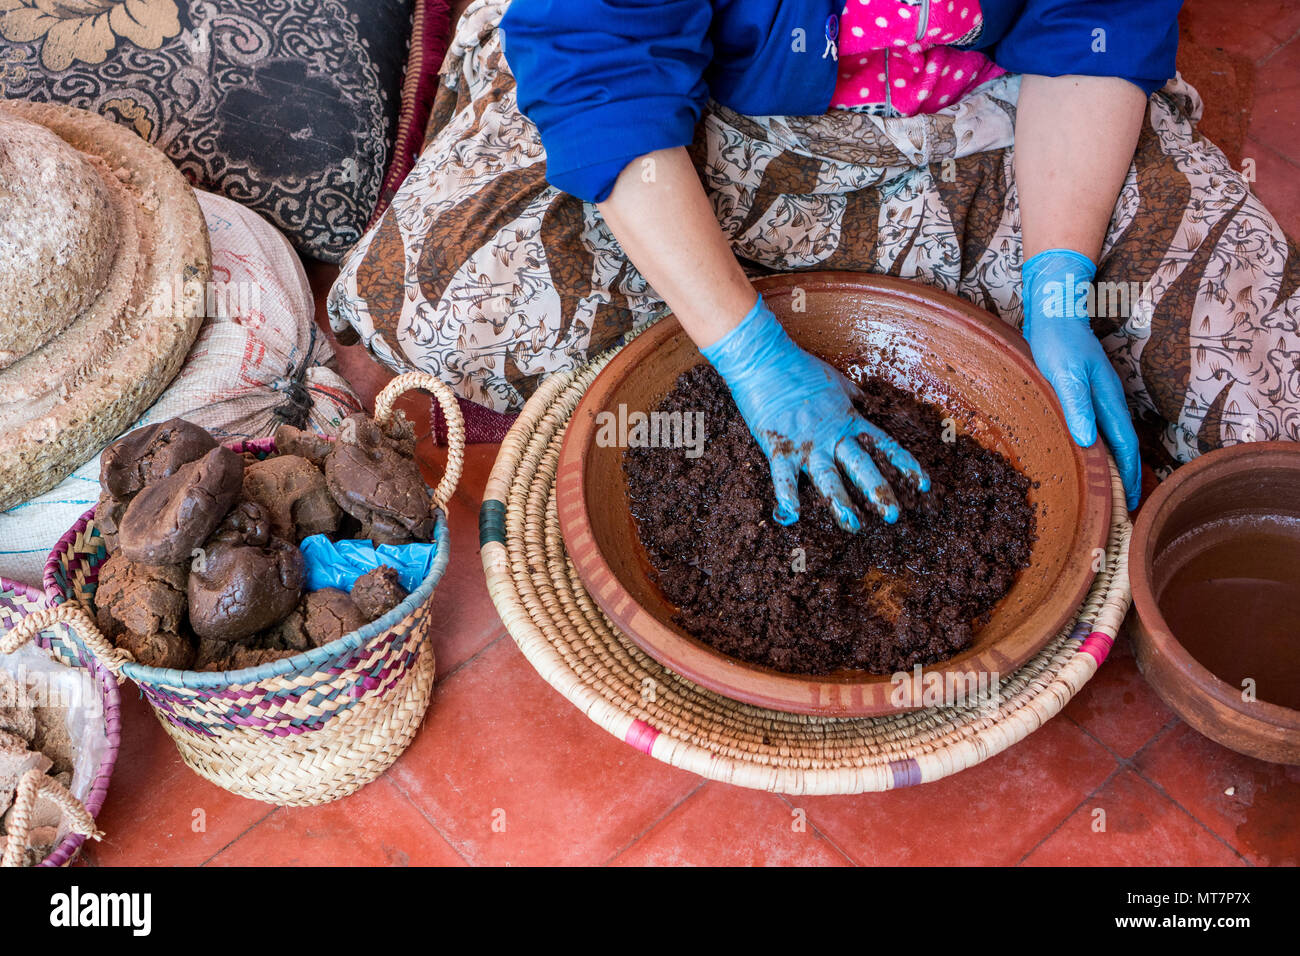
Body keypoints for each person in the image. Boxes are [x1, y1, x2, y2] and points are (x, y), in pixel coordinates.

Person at [329, 0, 1300, 527]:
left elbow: (1093, 27)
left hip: (986, 108)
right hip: (711, 103)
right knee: (456, 292)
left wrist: (1057, 286)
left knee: (1259, 360)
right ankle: (738, 302)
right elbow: (605, 66)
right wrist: (749, 350)